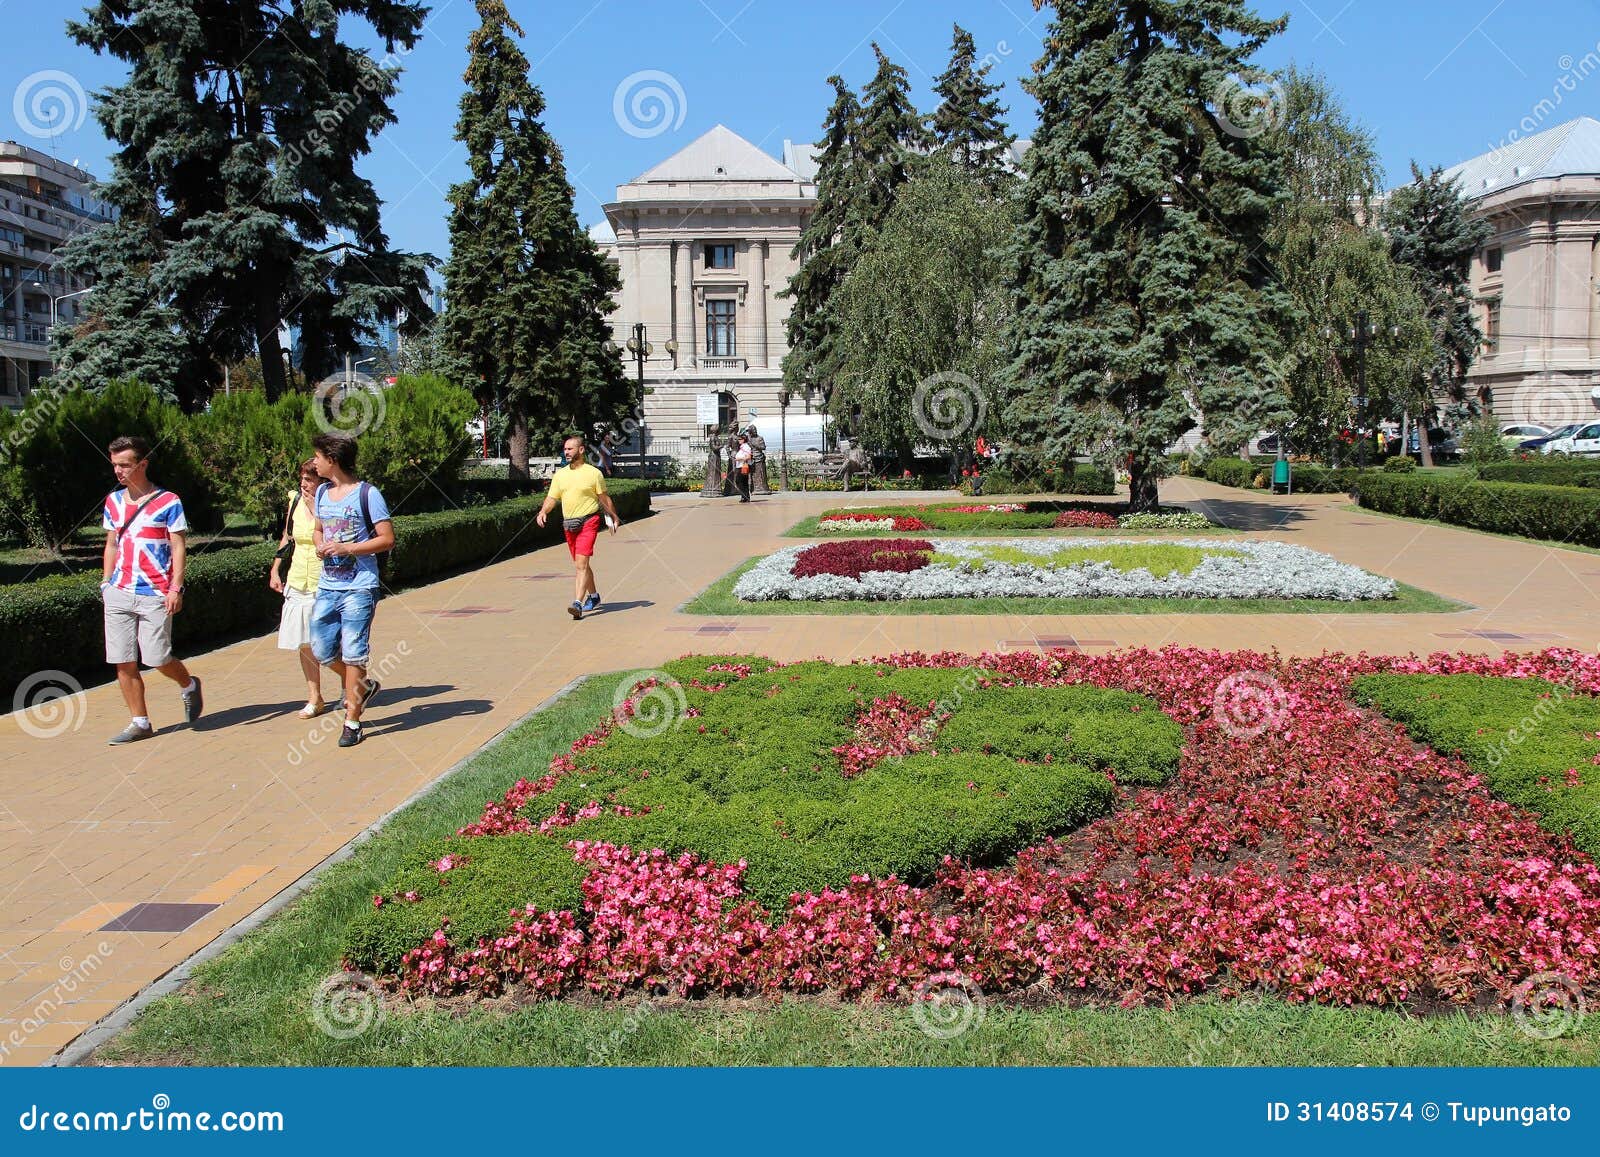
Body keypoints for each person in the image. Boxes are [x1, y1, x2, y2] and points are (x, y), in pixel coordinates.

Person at [101, 435, 204, 744]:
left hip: (155, 593)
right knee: (123, 660)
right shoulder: (113, 501)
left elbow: (178, 546)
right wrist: (106, 583)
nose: (119, 471)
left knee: (157, 658)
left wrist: (176, 588)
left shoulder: (168, 501)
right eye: (115, 465)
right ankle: (140, 721)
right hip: (119, 591)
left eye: (125, 465)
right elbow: (110, 544)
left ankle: (188, 685)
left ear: (142, 464)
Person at [309, 433, 394, 749]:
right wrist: (320, 546)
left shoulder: (368, 494)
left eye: (317, 456)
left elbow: (387, 539)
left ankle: (352, 721)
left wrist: (348, 548)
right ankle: (364, 685)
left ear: (332, 459)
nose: (314, 461)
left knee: (354, 651)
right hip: (328, 586)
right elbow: (319, 530)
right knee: (321, 649)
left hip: (359, 587)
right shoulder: (321, 494)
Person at [536, 433, 622, 619]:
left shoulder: (593, 473)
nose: (566, 452)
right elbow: (552, 498)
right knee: (581, 564)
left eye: (570, 449)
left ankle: (577, 603)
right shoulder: (561, 475)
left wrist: (613, 516)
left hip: (588, 522)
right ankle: (594, 597)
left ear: (581, 450)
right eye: (565, 449)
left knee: (581, 564)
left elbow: (604, 498)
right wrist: (543, 512)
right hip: (569, 525)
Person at [270, 458, 330, 718]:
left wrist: (315, 508)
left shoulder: (330, 502)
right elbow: (288, 536)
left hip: (324, 579)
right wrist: (275, 569)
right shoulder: (294, 500)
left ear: (321, 482)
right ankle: (315, 697)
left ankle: (351, 689)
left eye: (309, 479)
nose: (304, 484)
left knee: (328, 641)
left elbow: (333, 537)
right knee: (304, 643)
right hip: (297, 578)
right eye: (302, 478)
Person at [733, 434, 753, 502]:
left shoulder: (746, 447)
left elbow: (748, 456)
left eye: (739, 439)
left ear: (743, 440)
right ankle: (745, 497)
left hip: (743, 466)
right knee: (743, 482)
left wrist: (739, 459)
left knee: (739, 481)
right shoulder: (742, 447)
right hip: (740, 466)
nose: (738, 440)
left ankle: (745, 496)